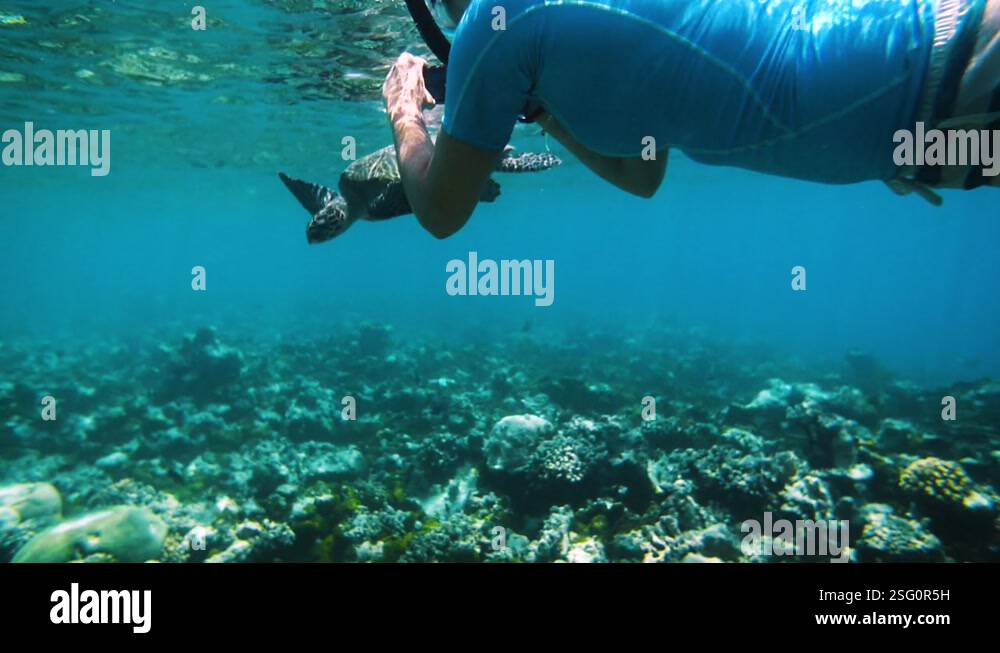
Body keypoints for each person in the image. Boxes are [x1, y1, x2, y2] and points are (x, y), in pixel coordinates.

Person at [382, 0, 999, 239]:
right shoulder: (528, 31)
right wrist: (545, 111)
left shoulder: (492, 24)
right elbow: (642, 175)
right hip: (933, 115)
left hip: (944, 67)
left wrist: (404, 109)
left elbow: (440, 212)